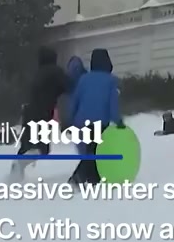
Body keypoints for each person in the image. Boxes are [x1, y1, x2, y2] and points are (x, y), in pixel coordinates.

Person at [10, 47, 72, 179]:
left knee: (28, 144)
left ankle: (16, 173)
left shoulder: (38, 73)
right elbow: (69, 86)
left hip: (29, 112)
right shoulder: (55, 71)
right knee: (42, 149)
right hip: (42, 114)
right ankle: (20, 164)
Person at [68, 48, 125, 185]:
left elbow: (75, 100)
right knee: (94, 151)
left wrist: (71, 119)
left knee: (92, 149)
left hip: (80, 121)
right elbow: (113, 103)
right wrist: (118, 121)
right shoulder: (112, 81)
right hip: (98, 122)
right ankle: (78, 178)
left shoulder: (83, 79)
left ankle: (94, 177)